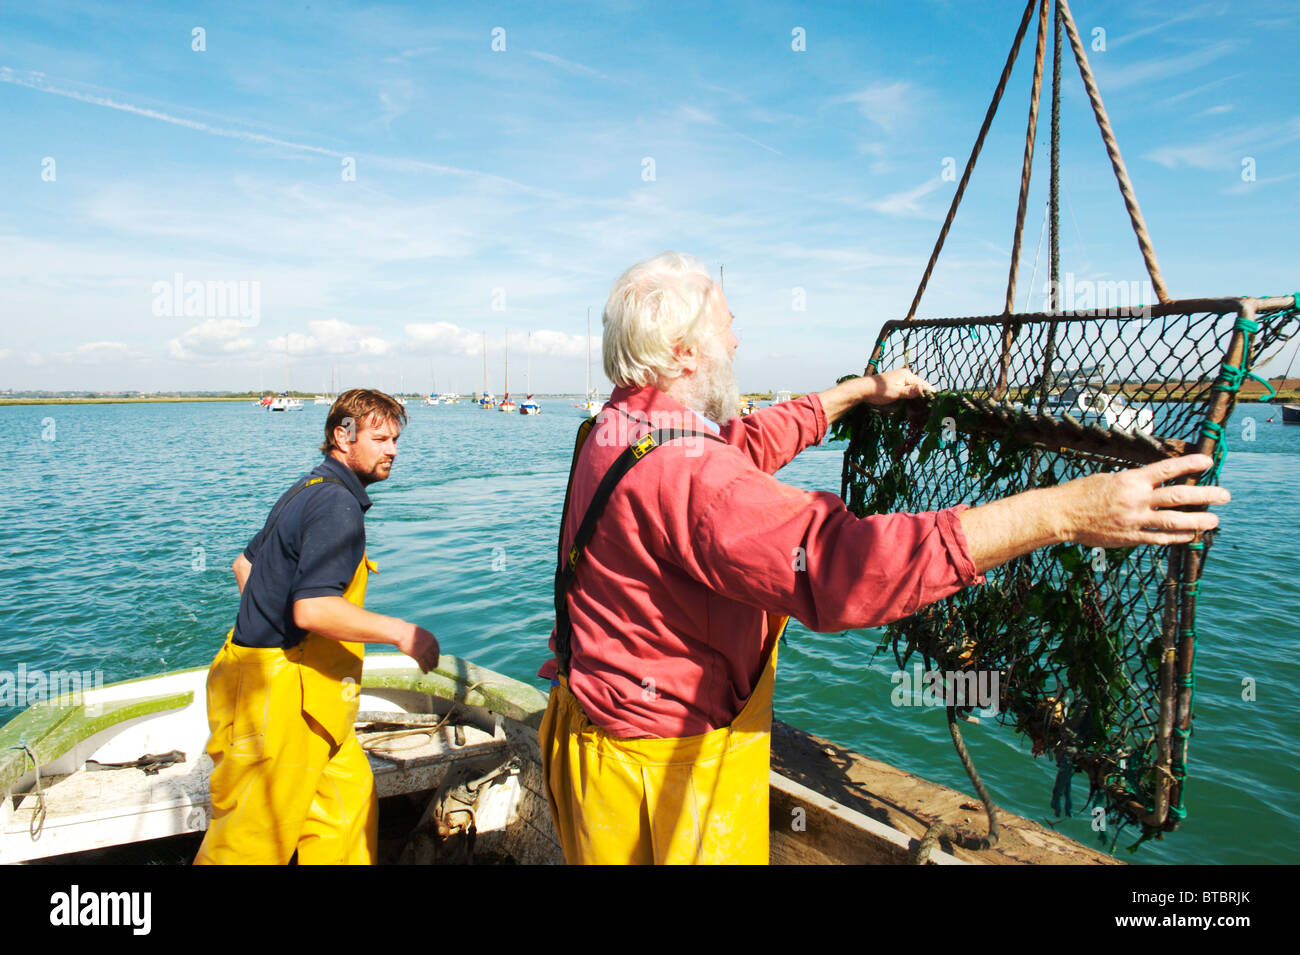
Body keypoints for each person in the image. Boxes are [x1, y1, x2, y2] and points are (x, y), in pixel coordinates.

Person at [538, 251, 1229, 865]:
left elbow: (740, 445)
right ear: (686, 352)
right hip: (662, 788)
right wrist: (1064, 512)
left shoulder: (620, 430)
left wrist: (859, 393)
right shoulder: (689, 473)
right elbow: (846, 568)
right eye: (726, 323)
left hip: (589, 745)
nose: (737, 337)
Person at [194, 388, 440, 865]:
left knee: (345, 809)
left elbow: (244, 565)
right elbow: (312, 610)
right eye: (379, 438)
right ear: (340, 437)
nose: (392, 450)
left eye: (395, 439)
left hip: (313, 704)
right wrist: (405, 634)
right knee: (249, 844)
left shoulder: (306, 490)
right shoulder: (336, 506)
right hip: (277, 701)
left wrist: (266, 615)